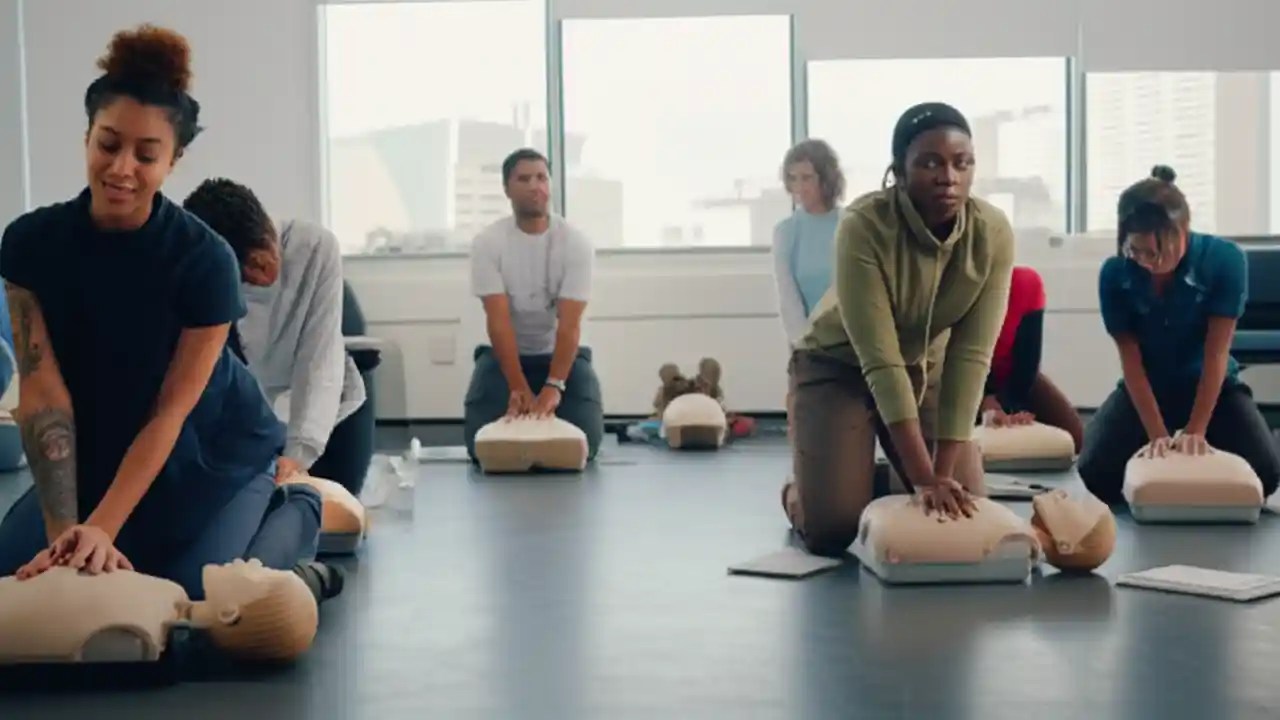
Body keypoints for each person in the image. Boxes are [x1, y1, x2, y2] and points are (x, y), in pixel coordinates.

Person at [0, 25, 342, 603]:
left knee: (192, 594)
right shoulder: (31, 244)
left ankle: (299, 505)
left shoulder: (205, 260)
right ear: (87, 136)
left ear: (174, 160)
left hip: (213, 453)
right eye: (108, 144)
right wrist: (67, 540)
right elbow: (42, 394)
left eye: (146, 154)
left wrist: (103, 529)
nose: (121, 168)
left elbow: (171, 414)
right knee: (20, 573)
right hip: (103, 453)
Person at [782, 102, 1015, 556]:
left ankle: (861, 472)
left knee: (965, 505)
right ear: (899, 172)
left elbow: (971, 358)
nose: (949, 176)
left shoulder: (992, 232)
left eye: (961, 162)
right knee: (834, 531)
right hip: (835, 365)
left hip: (924, 365)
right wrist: (924, 478)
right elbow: (880, 361)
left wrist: (941, 476)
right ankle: (805, 490)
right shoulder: (862, 225)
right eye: (930, 162)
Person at [1077, 165, 1280, 504]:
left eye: (1154, 252)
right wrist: (1157, 437)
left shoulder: (1225, 260)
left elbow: (1216, 353)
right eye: (1135, 251)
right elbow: (1131, 361)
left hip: (1212, 385)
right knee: (1094, 472)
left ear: (1182, 230)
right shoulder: (1114, 274)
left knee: (1266, 474)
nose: (1145, 262)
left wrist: (1196, 430)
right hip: (1148, 386)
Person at [182, 178, 370, 495]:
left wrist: (300, 453)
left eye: (265, 258)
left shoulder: (316, 247)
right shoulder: (203, 273)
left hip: (322, 407)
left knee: (333, 506)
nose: (264, 274)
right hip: (251, 413)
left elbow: (318, 357)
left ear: (268, 229)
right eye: (250, 270)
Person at [463, 148, 603, 461]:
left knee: (586, 446)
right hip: (503, 358)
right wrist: (518, 387)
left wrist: (554, 387)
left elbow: (569, 325)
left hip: (563, 358)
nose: (534, 186)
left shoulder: (575, 243)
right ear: (507, 189)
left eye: (541, 177)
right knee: (479, 447)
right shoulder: (489, 243)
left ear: (550, 184)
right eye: (524, 179)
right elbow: (498, 322)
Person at [978, 265, 1084, 452]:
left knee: (1074, 434)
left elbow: (1027, 364)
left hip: (1009, 374)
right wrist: (983, 401)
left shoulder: (1026, 283)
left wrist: (1010, 405)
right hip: (958, 377)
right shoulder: (956, 288)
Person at [772, 139, 845, 347]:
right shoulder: (785, 232)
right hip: (808, 348)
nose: (799, 187)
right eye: (793, 178)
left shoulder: (851, 223)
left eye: (807, 178)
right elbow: (788, 298)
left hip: (853, 345)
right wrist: (805, 344)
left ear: (826, 179)